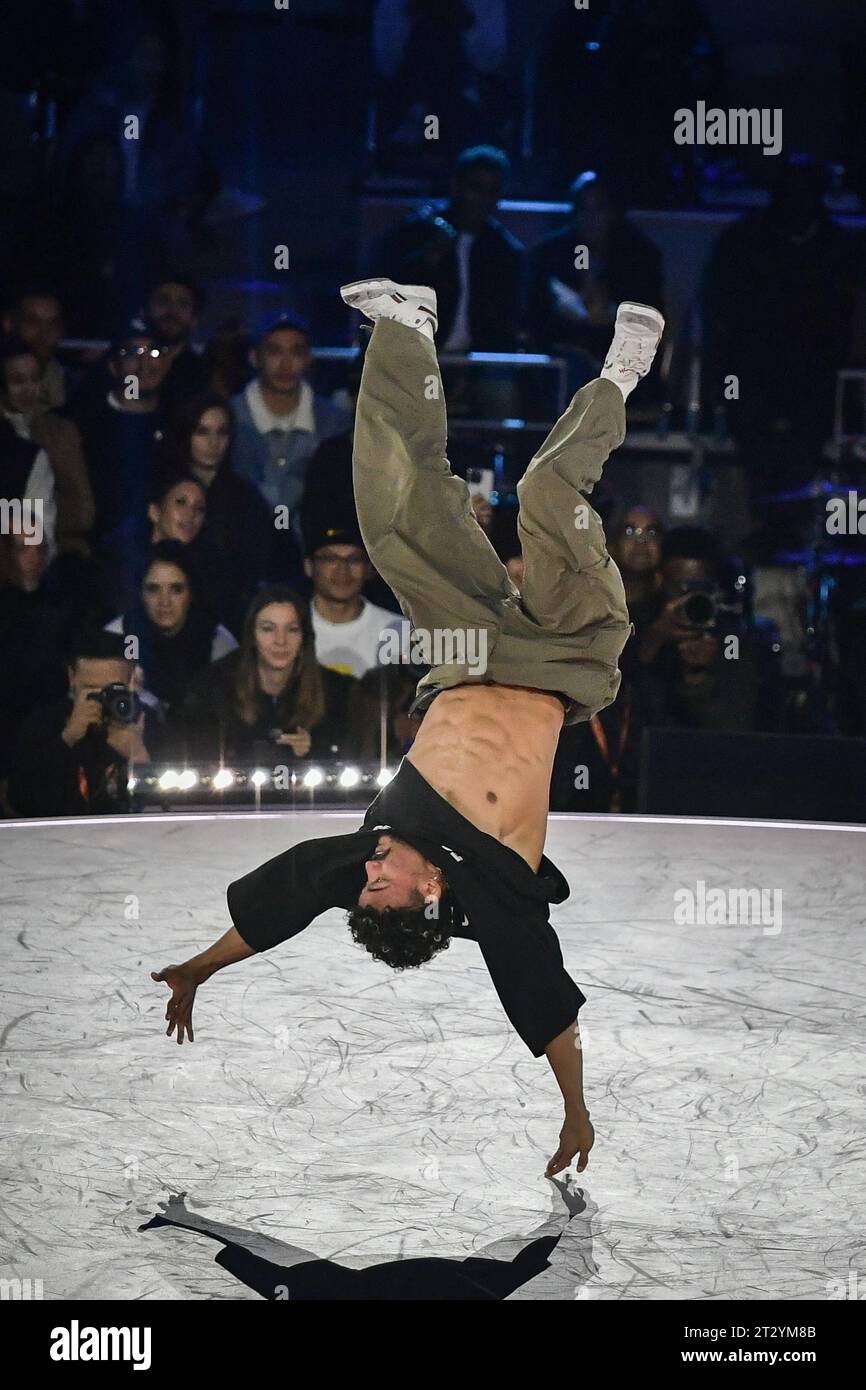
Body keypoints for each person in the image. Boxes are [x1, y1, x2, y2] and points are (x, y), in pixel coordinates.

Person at [151, 276, 666, 1178]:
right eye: (386, 880)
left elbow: (278, 906)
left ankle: (407, 334)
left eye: (371, 875)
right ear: (432, 895)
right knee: (547, 490)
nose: (374, 863)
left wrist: (199, 969)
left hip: (466, 652)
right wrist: (576, 1114)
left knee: (391, 524)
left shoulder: (375, 862)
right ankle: (620, 380)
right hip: (566, 661)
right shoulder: (497, 899)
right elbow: (546, 1012)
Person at [169, 585, 356, 766]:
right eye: (268, 629)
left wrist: (314, 751)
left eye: (292, 629)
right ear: (251, 636)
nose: (281, 641)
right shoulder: (211, 689)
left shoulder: (336, 691)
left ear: (304, 639)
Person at [230, 312, 350, 566]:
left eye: (296, 352)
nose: (285, 364)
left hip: (316, 558)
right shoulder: (227, 420)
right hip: (239, 555)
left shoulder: (335, 423)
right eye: (274, 351)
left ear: (308, 359)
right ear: (255, 357)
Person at [380, 145, 524, 350]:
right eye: (476, 187)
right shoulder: (416, 234)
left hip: (480, 364)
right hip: (417, 352)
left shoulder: (505, 252)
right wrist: (431, 256)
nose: (482, 199)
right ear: (456, 186)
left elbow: (503, 323)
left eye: (492, 191)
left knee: (500, 382)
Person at [7, 629, 160, 818]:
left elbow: (178, 809)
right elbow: (21, 803)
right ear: (72, 678)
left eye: (112, 689)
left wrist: (139, 759)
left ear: (130, 681)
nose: (103, 699)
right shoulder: (43, 726)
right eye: (91, 689)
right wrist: (67, 739)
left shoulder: (149, 723)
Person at [104, 541, 237, 713]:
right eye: (153, 589)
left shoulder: (221, 645)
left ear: (191, 594)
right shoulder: (114, 638)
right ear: (140, 593)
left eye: (176, 589)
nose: (164, 602)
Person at [66, 321, 170, 540]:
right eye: (132, 353)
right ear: (114, 365)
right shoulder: (83, 423)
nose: (144, 363)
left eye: (153, 352)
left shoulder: (178, 423)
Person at [0, 334, 95, 559]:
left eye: (35, 379)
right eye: (17, 381)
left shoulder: (59, 432)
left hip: (49, 548)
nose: (28, 389)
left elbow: (83, 511)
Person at [304, 519, 402, 678]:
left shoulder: (398, 632)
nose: (342, 570)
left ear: (370, 568)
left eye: (354, 559)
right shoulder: (287, 629)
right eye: (331, 559)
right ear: (309, 566)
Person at [2, 289, 68, 411]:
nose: (44, 333)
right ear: (9, 323)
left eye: (52, 324)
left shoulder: (67, 380)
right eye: (33, 322)